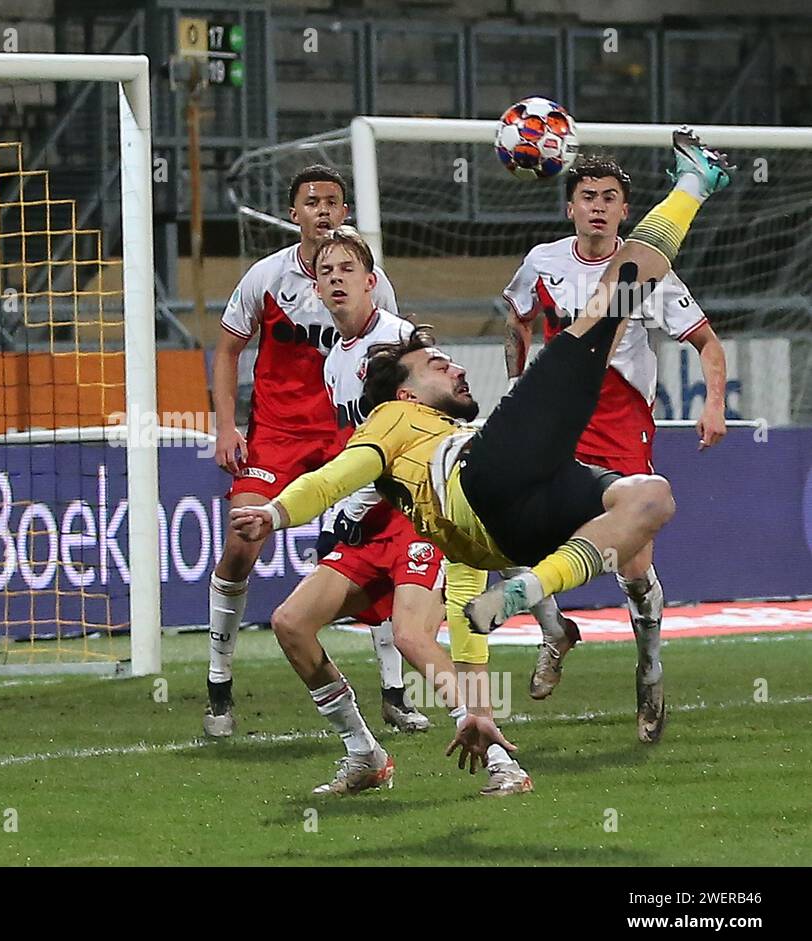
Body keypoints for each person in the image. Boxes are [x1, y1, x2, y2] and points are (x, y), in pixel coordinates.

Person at [229, 128, 732, 647]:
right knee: (620, 290)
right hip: (489, 481)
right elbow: (335, 477)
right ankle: (695, 183)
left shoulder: (406, 437)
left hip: (501, 538)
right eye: (434, 362)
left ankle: (523, 626)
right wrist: (274, 512)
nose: (452, 365)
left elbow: (343, 482)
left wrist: (281, 513)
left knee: (653, 499)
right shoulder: (394, 422)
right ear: (406, 392)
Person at [274, 228, 529, 796]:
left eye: (347, 269)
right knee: (291, 624)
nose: (335, 278)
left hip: (420, 512)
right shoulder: (334, 361)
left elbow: (431, 424)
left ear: (371, 283)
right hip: (371, 520)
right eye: (324, 271)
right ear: (314, 287)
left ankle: (502, 763)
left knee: (414, 636)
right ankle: (363, 753)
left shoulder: (401, 344)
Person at [487, 154, 729, 742]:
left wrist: (715, 403)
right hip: (554, 422)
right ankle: (555, 630)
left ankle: (649, 669)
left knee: (633, 563)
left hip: (620, 427)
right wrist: (518, 382)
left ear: (625, 211)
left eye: (608, 198)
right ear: (570, 206)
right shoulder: (540, 263)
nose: (596, 206)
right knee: (497, 527)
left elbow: (707, 342)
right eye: (587, 196)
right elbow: (515, 319)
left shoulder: (648, 272)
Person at [204, 164, 420, 737]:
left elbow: (393, 366)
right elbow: (227, 350)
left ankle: (394, 693)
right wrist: (227, 427)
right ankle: (218, 683)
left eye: (332, 202)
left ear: (345, 213)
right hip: (277, 433)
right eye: (311, 202)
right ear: (293, 212)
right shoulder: (265, 277)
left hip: (350, 434)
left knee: (377, 548)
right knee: (241, 540)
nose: (322, 210)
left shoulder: (372, 282)